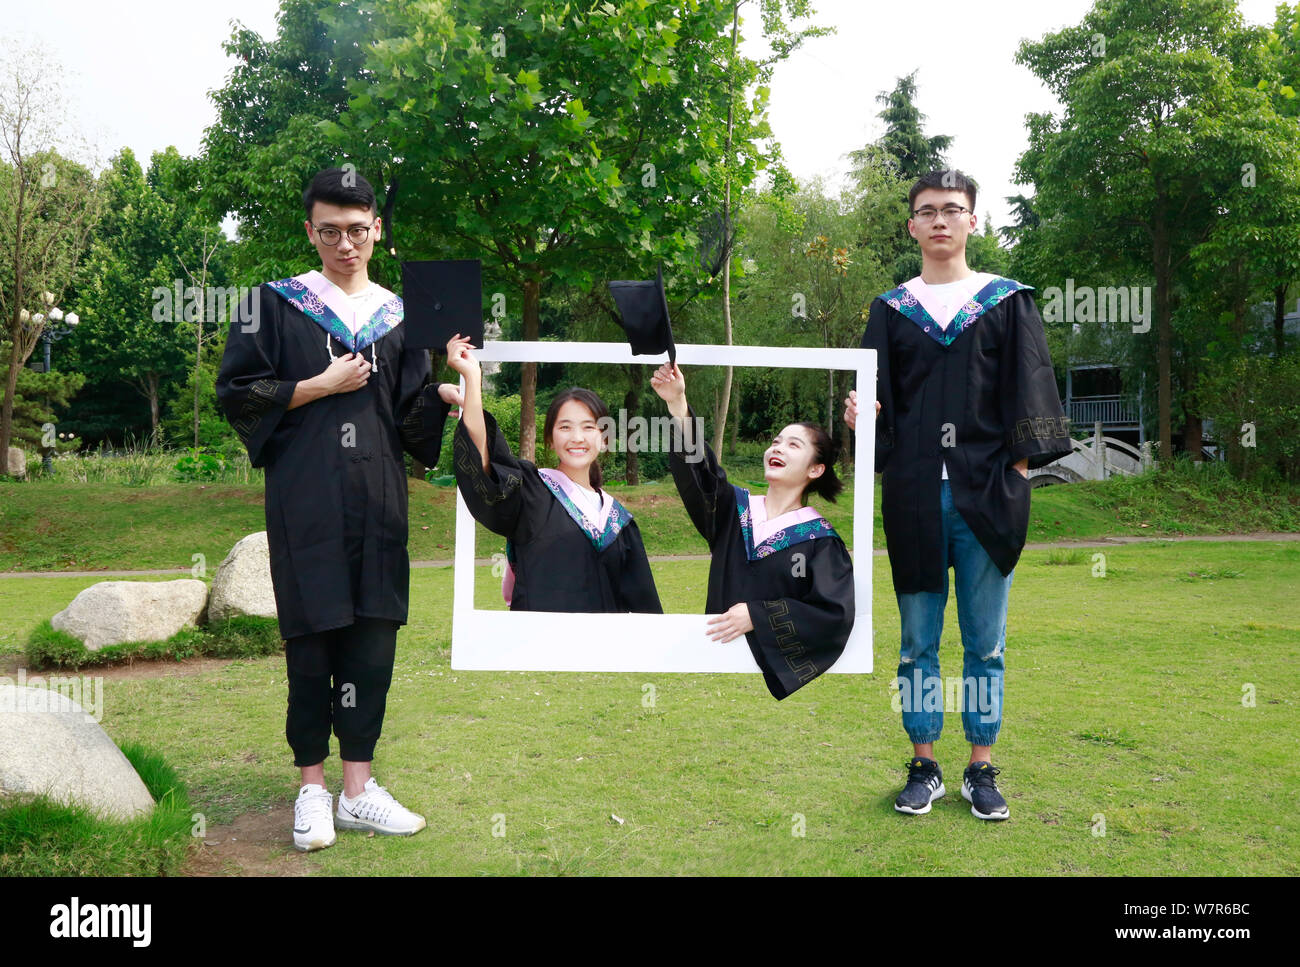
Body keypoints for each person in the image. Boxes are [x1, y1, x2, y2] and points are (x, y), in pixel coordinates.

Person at [216, 167, 461, 851]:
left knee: (372, 645)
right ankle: (312, 792)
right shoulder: (272, 304)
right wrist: (314, 385)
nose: (345, 244)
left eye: (358, 230)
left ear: (376, 229)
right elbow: (236, 393)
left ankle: (359, 791)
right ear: (310, 231)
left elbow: (410, 422)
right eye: (330, 231)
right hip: (307, 504)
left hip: (380, 503)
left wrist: (442, 394)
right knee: (311, 647)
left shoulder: (401, 315)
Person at [844, 168, 1071, 820]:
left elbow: (1029, 391)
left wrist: (1018, 478)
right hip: (915, 494)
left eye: (953, 209)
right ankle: (924, 763)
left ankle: (981, 767)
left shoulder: (1004, 301)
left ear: (974, 220)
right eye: (927, 211)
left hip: (987, 492)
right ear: (912, 225)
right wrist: (863, 418)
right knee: (917, 640)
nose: (940, 220)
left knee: (985, 641)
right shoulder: (891, 310)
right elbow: (877, 401)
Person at [651, 362, 854, 700]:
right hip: (713, 669)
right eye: (776, 441)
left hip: (762, 687)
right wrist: (677, 405)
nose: (777, 448)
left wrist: (758, 616)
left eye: (793, 445)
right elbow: (703, 474)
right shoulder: (734, 509)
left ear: (816, 469)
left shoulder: (820, 541)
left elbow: (833, 615)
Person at [446, 335, 662, 614]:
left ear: (604, 438)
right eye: (564, 427)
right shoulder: (532, 491)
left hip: (603, 654)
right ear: (550, 439)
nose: (577, 437)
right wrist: (473, 379)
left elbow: (645, 611)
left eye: (588, 427)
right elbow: (481, 457)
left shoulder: (619, 522)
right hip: (538, 652)